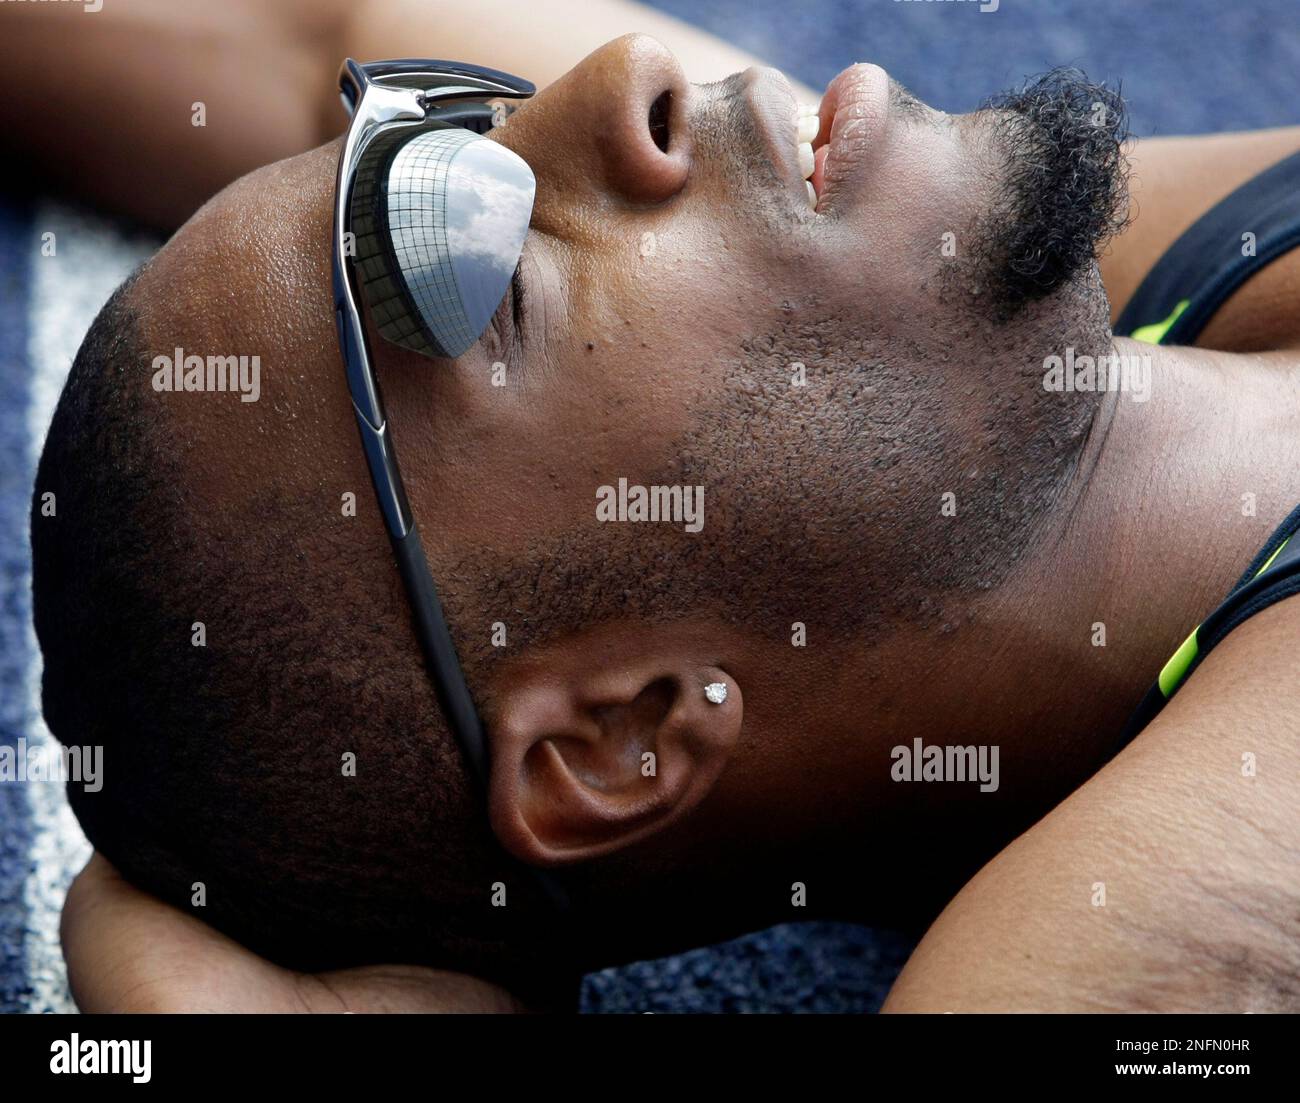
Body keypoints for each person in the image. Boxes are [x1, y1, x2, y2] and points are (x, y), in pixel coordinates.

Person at [16, 4, 1300, 1012]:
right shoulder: (1179, 916)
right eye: (468, 261)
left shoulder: (1170, 294)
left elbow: (306, 37)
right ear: (621, 741)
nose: (621, 70)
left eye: (463, 141)